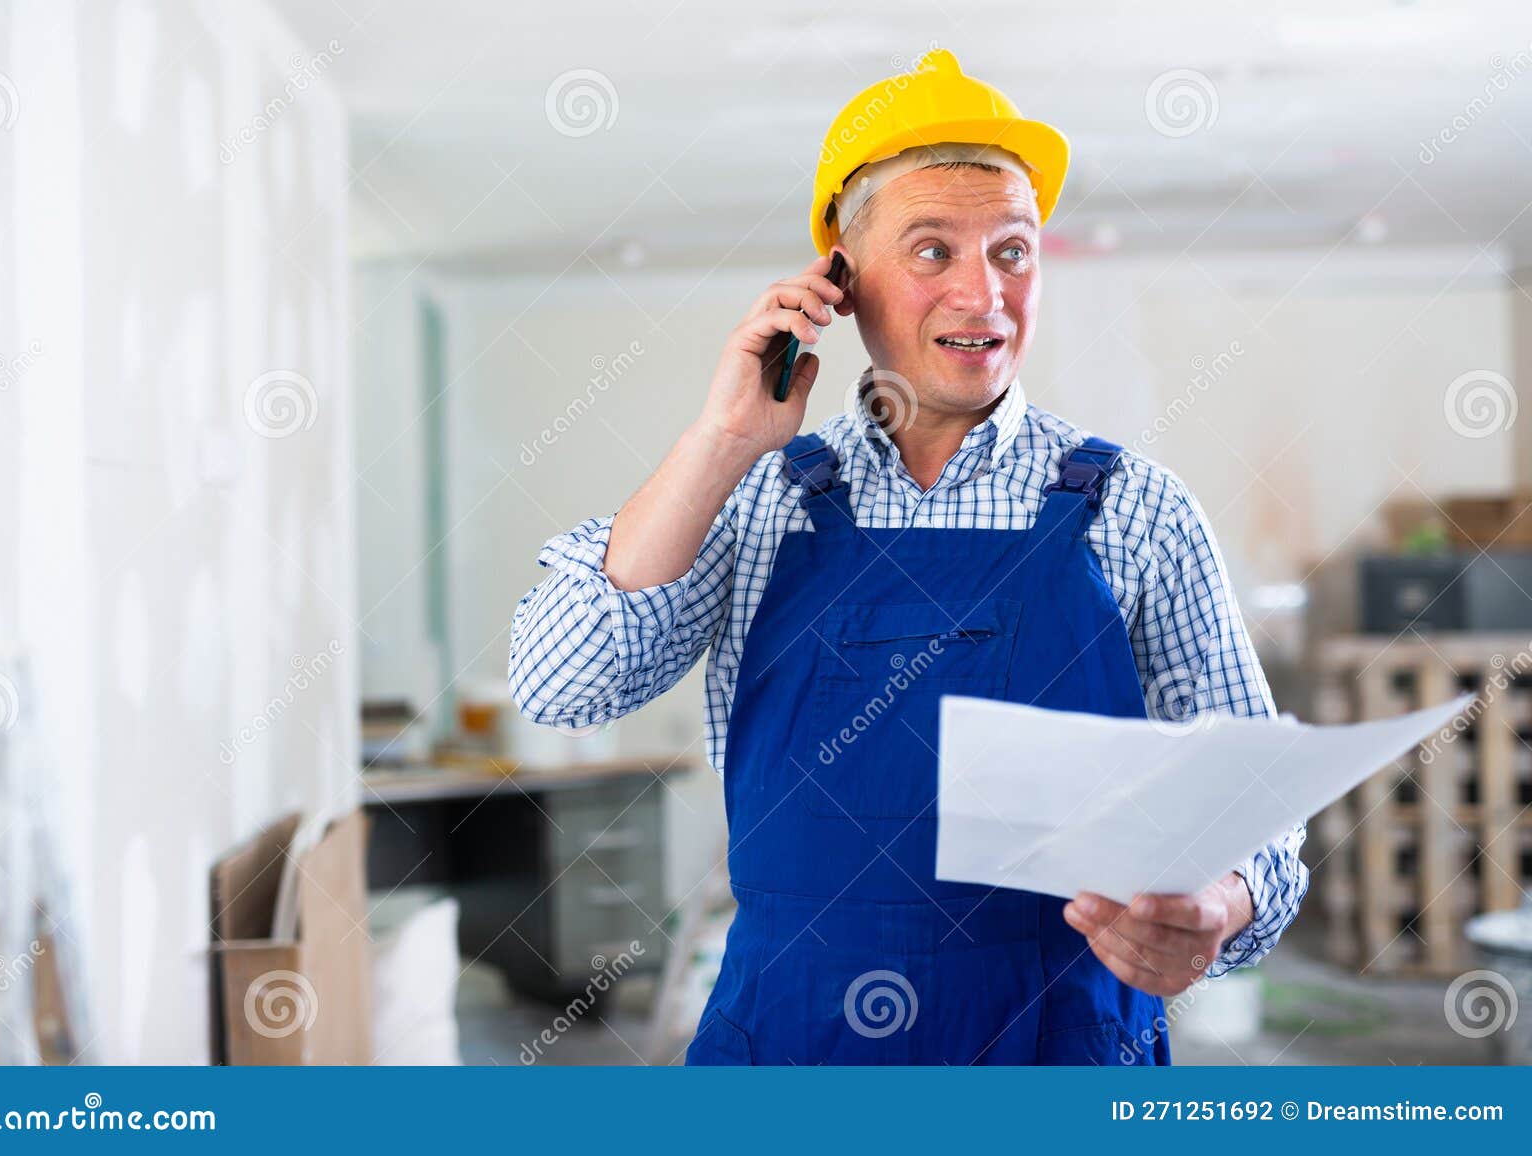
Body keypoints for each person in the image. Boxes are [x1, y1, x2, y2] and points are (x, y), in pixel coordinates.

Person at [509, 49, 1307, 1065]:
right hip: (792, 1042)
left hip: (1056, 1041)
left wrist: (1222, 900)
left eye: (1013, 253)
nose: (983, 294)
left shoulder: (1138, 509)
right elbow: (559, 685)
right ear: (837, 280)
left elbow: (1249, 800)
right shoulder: (753, 497)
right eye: (933, 250)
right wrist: (719, 441)